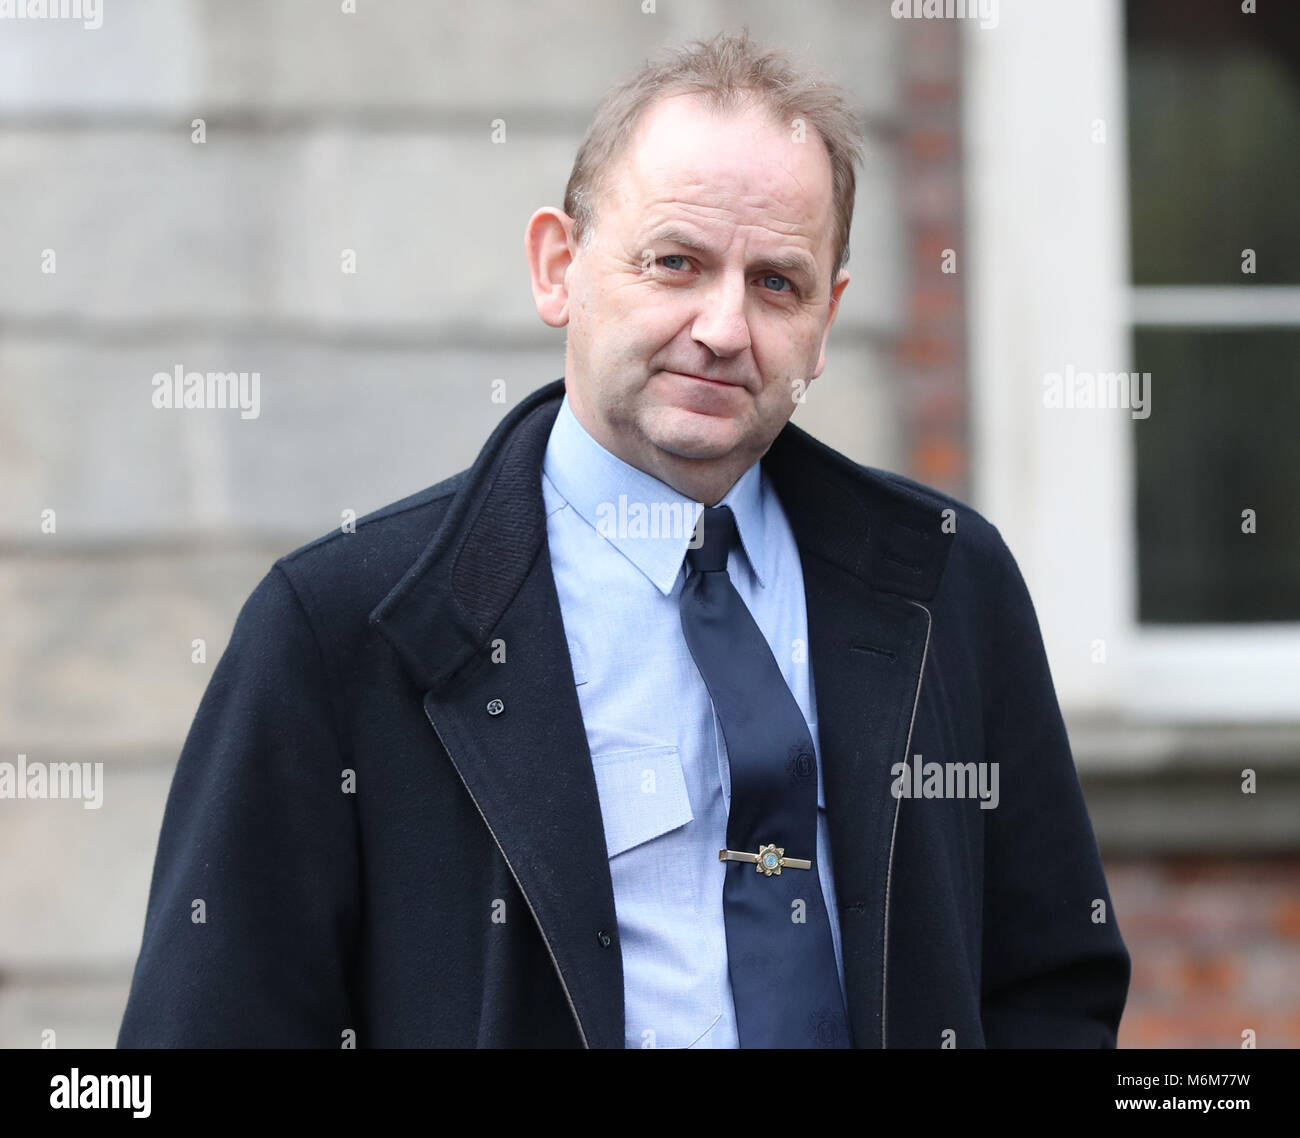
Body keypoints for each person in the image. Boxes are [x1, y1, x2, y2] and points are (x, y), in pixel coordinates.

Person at [117, 30, 1129, 1049]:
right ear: (559, 267)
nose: (724, 328)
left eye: (776, 283)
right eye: (675, 263)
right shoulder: (340, 633)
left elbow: (1050, 983)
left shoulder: (950, 580)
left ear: (827, 322)